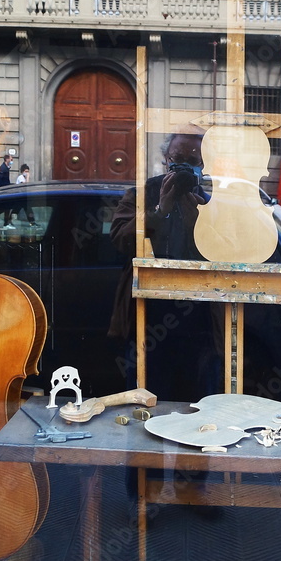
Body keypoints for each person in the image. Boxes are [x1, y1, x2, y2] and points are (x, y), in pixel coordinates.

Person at [109, 133, 222, 403]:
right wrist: (160, 210)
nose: (183, 167)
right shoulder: (141, 194)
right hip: (148, 316)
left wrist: (201, 220)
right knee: (144, 397)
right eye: (178, 160)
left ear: (204, 166)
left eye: (192, 161)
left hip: (199, 319)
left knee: (198, 402)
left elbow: (225, 252)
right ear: (165, 160)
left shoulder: (211, 205)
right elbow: (120, 240)